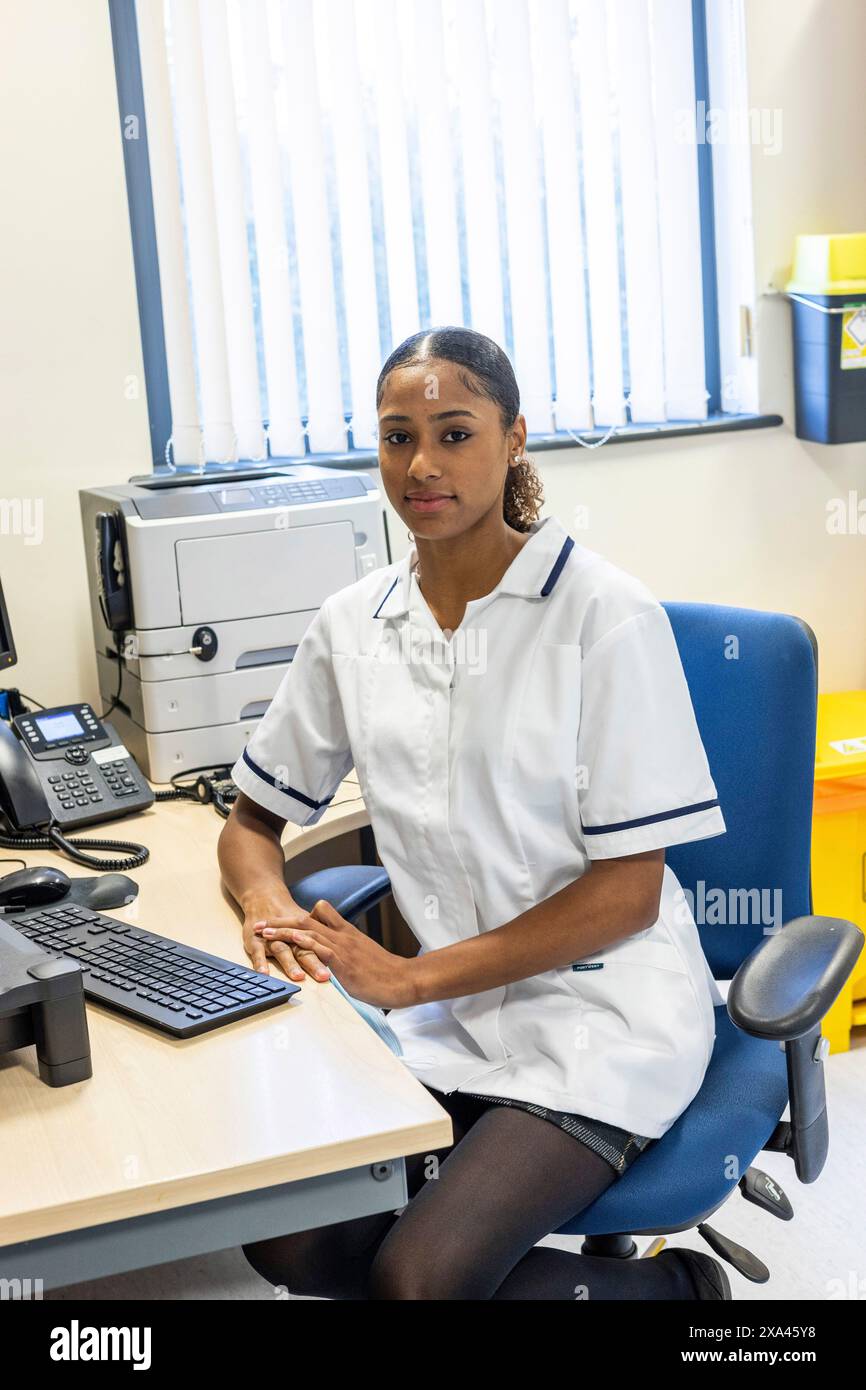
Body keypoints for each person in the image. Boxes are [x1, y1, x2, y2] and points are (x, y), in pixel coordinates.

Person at [217, 327, 731, 1300]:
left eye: (453, 433)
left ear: (512, 440)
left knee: (420, 1278)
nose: (421, 464)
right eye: (395, 436)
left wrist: (409, 980)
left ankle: (673, 1295)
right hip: (447, 1014)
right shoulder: (352, 626)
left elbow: (627, 894)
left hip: (599, 1017)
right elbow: (250, 822)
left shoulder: (600, 615)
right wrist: (260, 903)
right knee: (279, 1239)